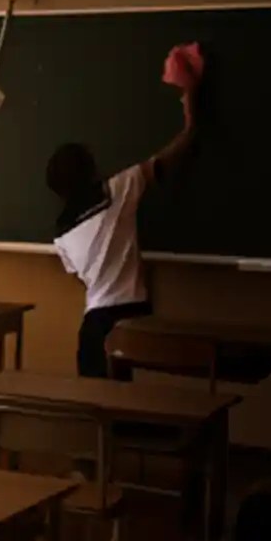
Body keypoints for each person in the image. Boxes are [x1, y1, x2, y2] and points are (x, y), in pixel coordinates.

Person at [49, 74, 200, 379]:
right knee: (143, 411)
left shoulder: (61, 234)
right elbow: (169, 157)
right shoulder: (119, 190)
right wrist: (191, 117)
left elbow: (83, 280)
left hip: (94, 328)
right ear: (89, 170)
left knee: (101, 415)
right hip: (134, 320)